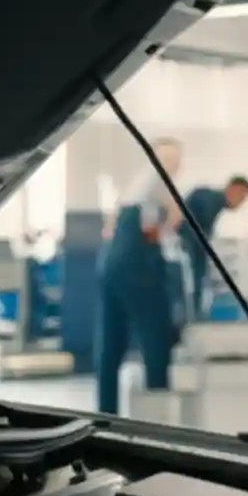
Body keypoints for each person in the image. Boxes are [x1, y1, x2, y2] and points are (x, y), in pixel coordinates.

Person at [95, 138, 183, 414]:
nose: (174, 165)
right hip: (138, 265)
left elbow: (108, 229)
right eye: (171, 159)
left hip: (110, 262)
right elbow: (164, 223)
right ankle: (158, 409)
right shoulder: (158, 182)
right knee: (157, 333)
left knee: (111, 341)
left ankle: (105, 413)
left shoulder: (134, 185)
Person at [179, 176, 248, 317]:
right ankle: (194, 314)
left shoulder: (212, 200)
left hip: (188, 243)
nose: (242, 203)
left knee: (198, 276)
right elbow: (193, 226)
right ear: (233, 189)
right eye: (242, 197)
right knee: (196, 277)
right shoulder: (212, 200)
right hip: (188, 244)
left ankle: (195, 313)